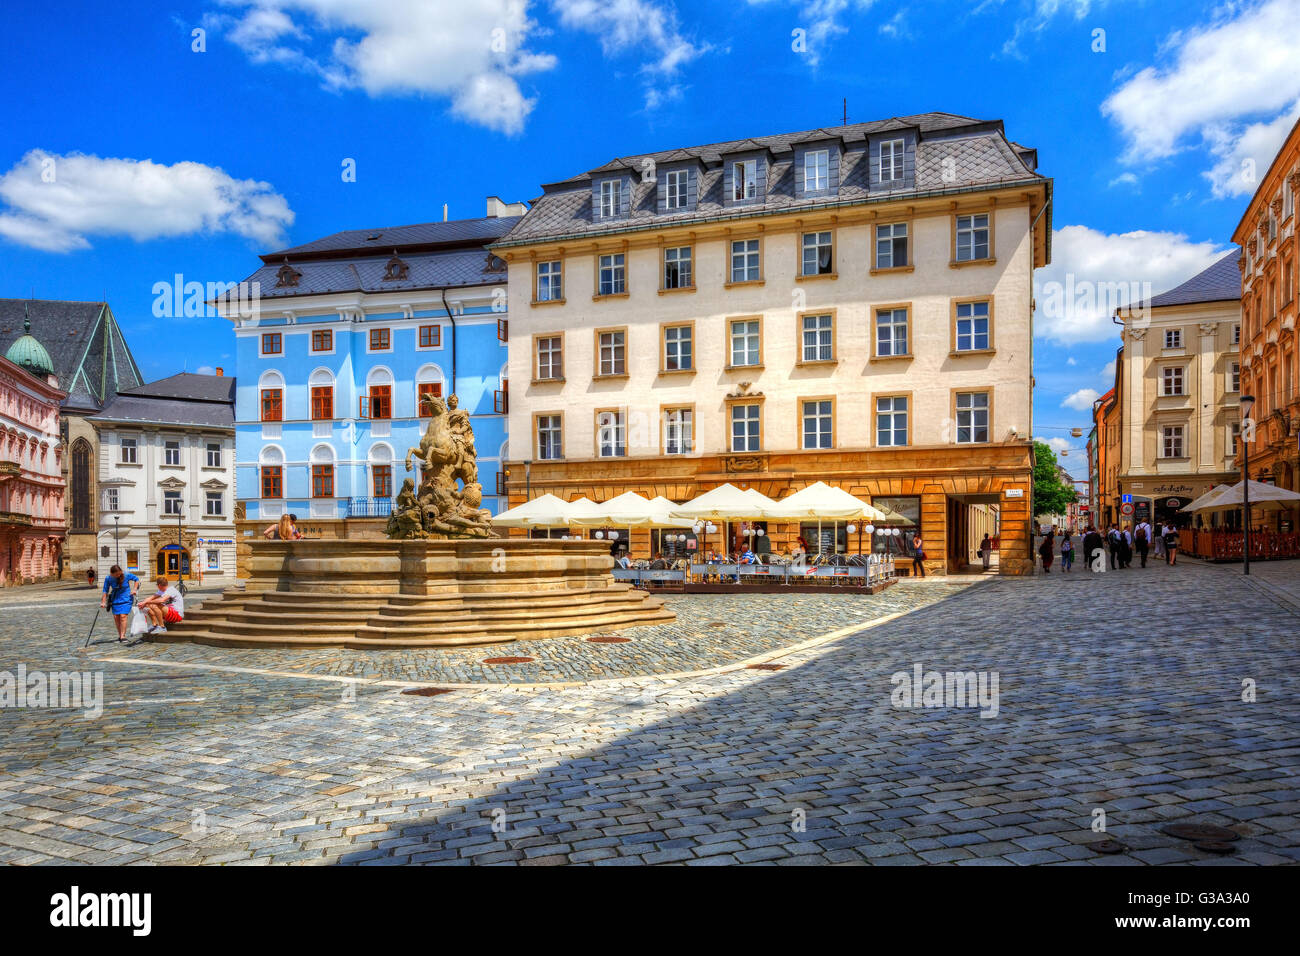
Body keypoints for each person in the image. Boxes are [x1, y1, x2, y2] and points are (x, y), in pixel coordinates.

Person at [100, 564, 140, 643]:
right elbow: (105, 590)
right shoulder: (108, 578)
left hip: (126, 598)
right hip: (115, 599)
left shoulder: (126, 574)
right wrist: (103, 602)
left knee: (123, 616)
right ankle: (120, 636)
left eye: (119, 574)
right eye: (116, 575)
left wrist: (134, 589)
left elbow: (136, 579)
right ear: (112, 574)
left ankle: (123, 636)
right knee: (116, 617)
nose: (118, 576)